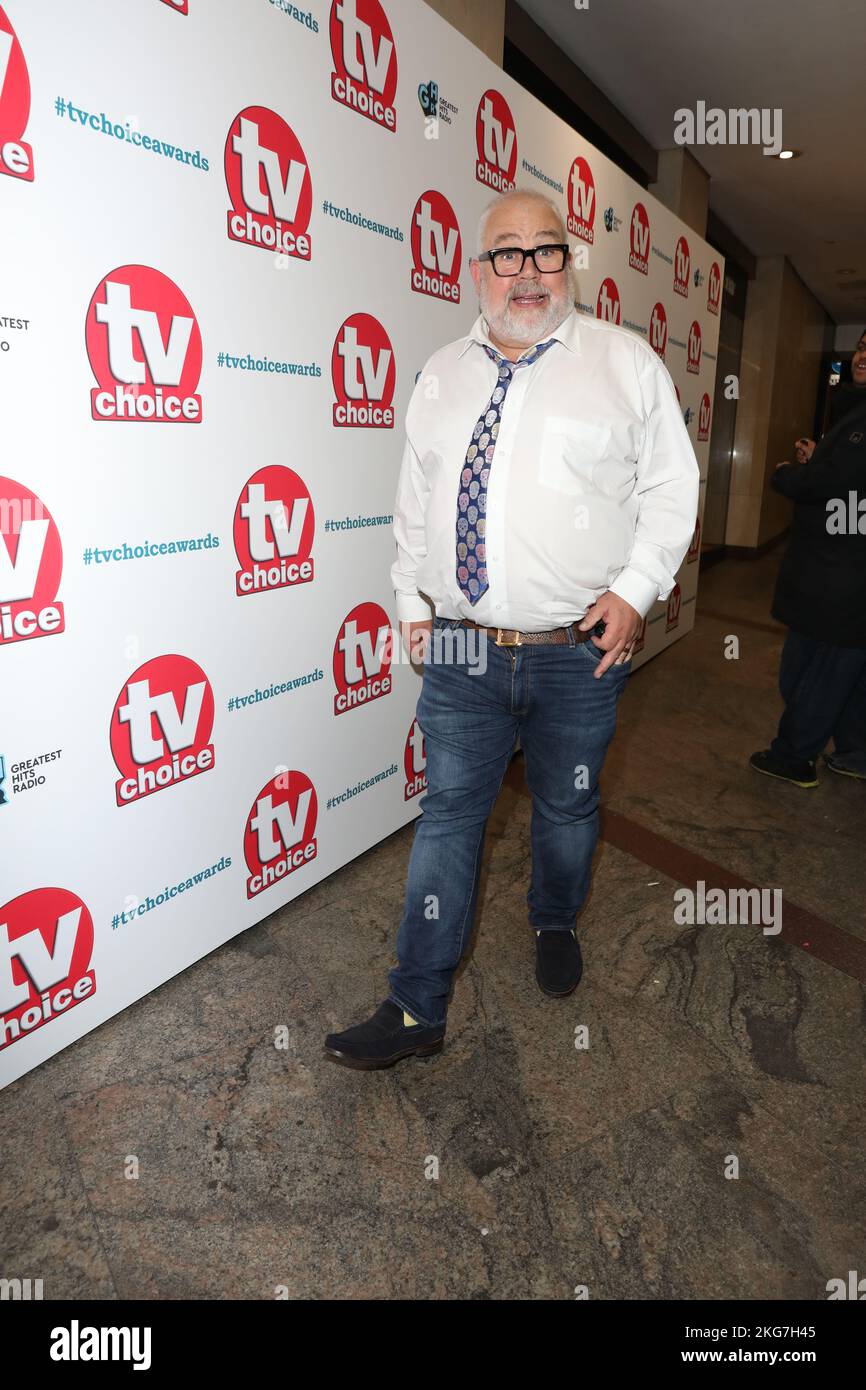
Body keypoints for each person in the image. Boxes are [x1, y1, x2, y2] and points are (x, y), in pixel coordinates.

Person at [324, 188, 699, 1069]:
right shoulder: (441, 373)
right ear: (478, 267)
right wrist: (413, 609)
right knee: (450, 816)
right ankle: (417, 1007)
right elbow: (416, 501)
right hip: (459, 646)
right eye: (507, 253)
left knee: (567, 807)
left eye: (546, 252)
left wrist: (639, 590)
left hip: (579, 653)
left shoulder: (625, 363)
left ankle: (555, 915)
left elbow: (671, 490)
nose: (527, 272)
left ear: (570, 262)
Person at [750, 344, 866, 788]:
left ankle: (794, 757)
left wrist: (787, 474)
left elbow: (837, 483)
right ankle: (857, 751)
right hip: (843, 572)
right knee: (850, 671)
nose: (862, 356)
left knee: (814, 671)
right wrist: (821, 458)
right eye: (860, 348)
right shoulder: (853, 416)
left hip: (842, 577)